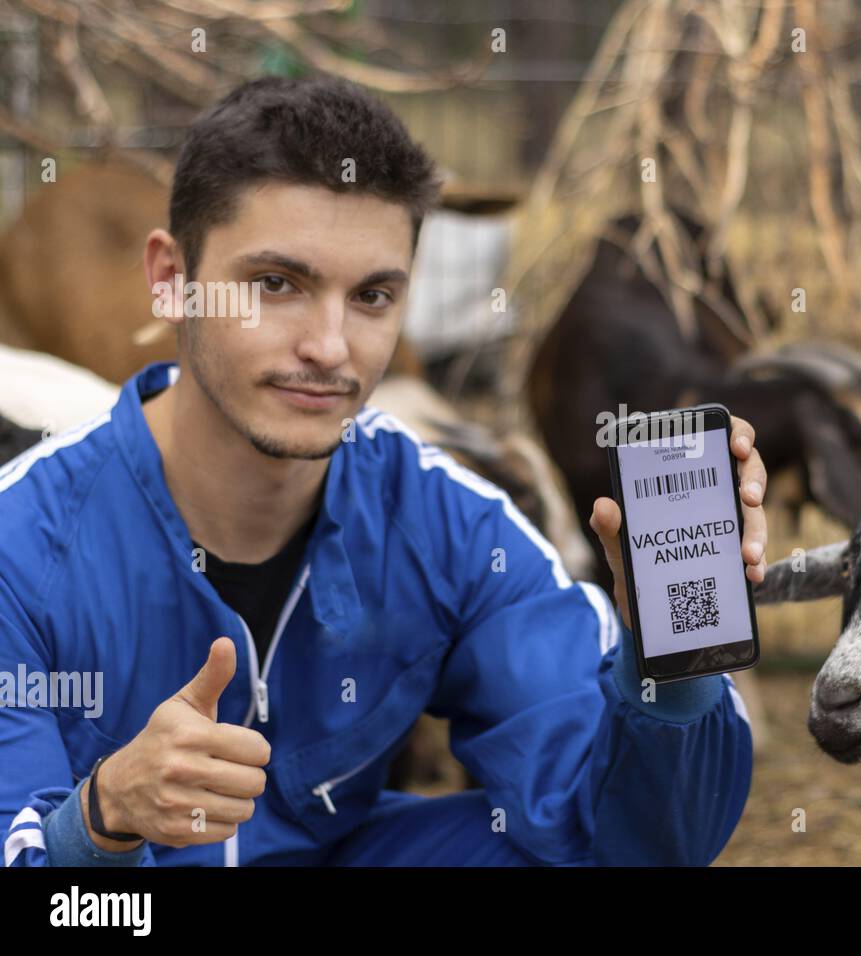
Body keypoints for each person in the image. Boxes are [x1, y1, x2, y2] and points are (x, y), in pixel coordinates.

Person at [0, 75, 765, 867]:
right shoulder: (19, 545)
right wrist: (98, 821)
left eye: (370, 296)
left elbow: (648, 847)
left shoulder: (448, 522)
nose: (331, 347)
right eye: (276, 285)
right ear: (170, 279)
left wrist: (673, 650)